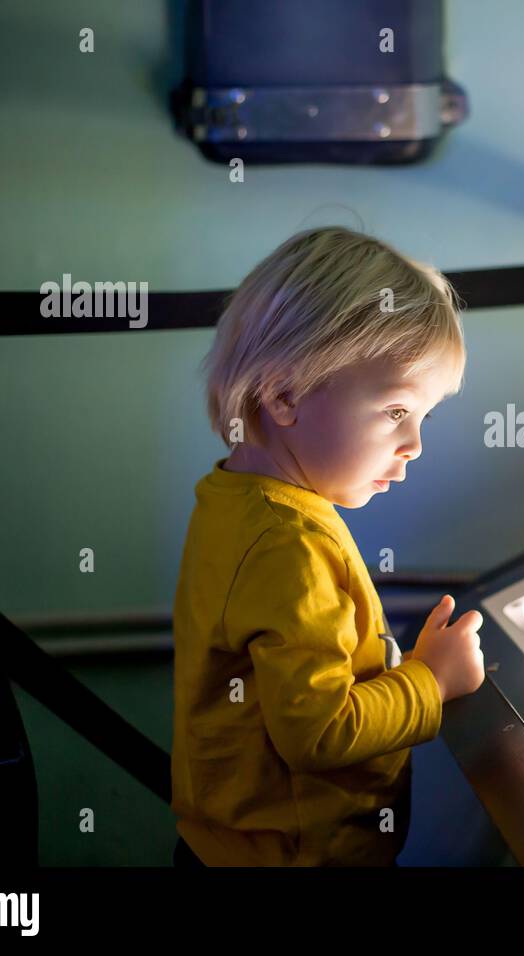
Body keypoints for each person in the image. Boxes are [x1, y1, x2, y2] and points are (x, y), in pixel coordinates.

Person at [170, 226, 485, 866]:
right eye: (397, 411)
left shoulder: (234, 497)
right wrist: (432, 681)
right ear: (285, 393)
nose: (415, 444)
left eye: (423, 418)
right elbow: (320, 731)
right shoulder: (285, 543)